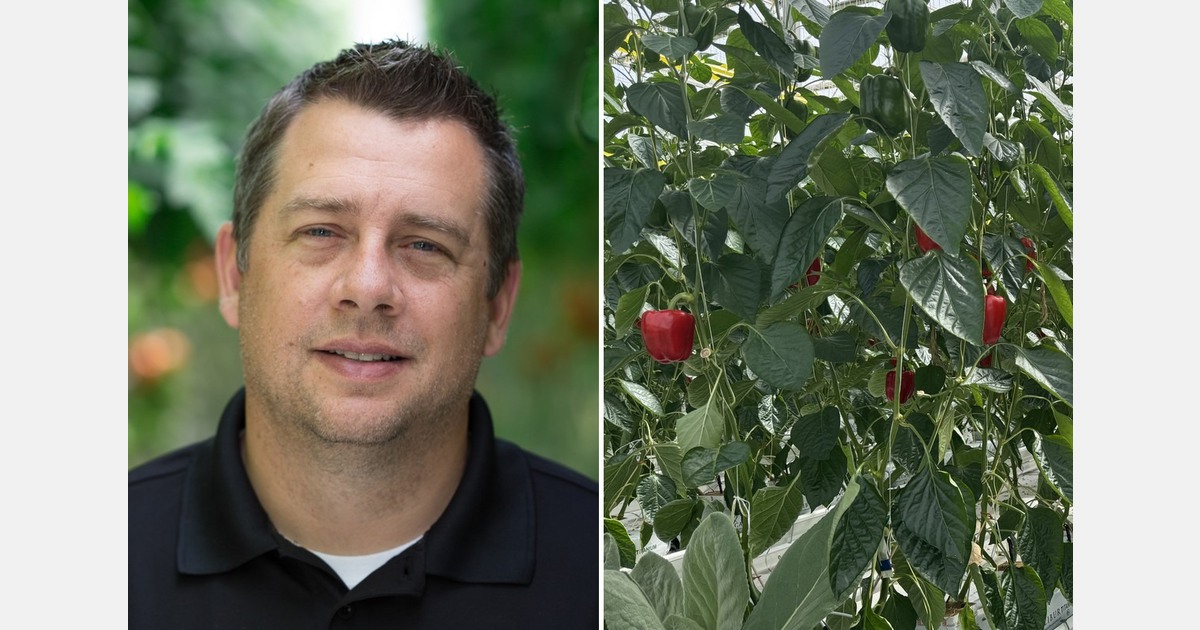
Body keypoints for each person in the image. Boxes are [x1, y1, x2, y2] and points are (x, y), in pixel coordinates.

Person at [128, 39, 598, 628]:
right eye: (321, 231)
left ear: (497, 305)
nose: (368, 286)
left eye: (424, 244)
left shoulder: (606, 576)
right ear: (233, 274)